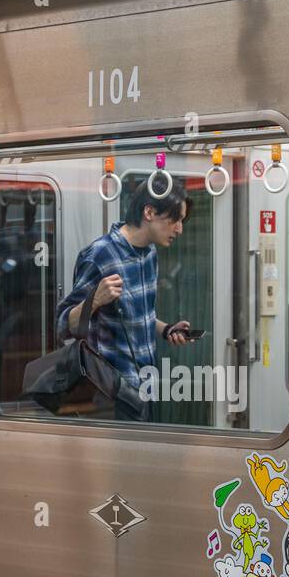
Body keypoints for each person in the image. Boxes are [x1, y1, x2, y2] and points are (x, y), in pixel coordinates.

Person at [53, 177, 194, 421]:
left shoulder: (149, 253)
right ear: (149, 212)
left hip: (146, 387)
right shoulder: (101, 255)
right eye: (175, 219)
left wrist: (166, 329)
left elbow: (137, 316)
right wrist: (95, 299)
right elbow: (62, 326)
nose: (180, 229)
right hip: (111, 395)